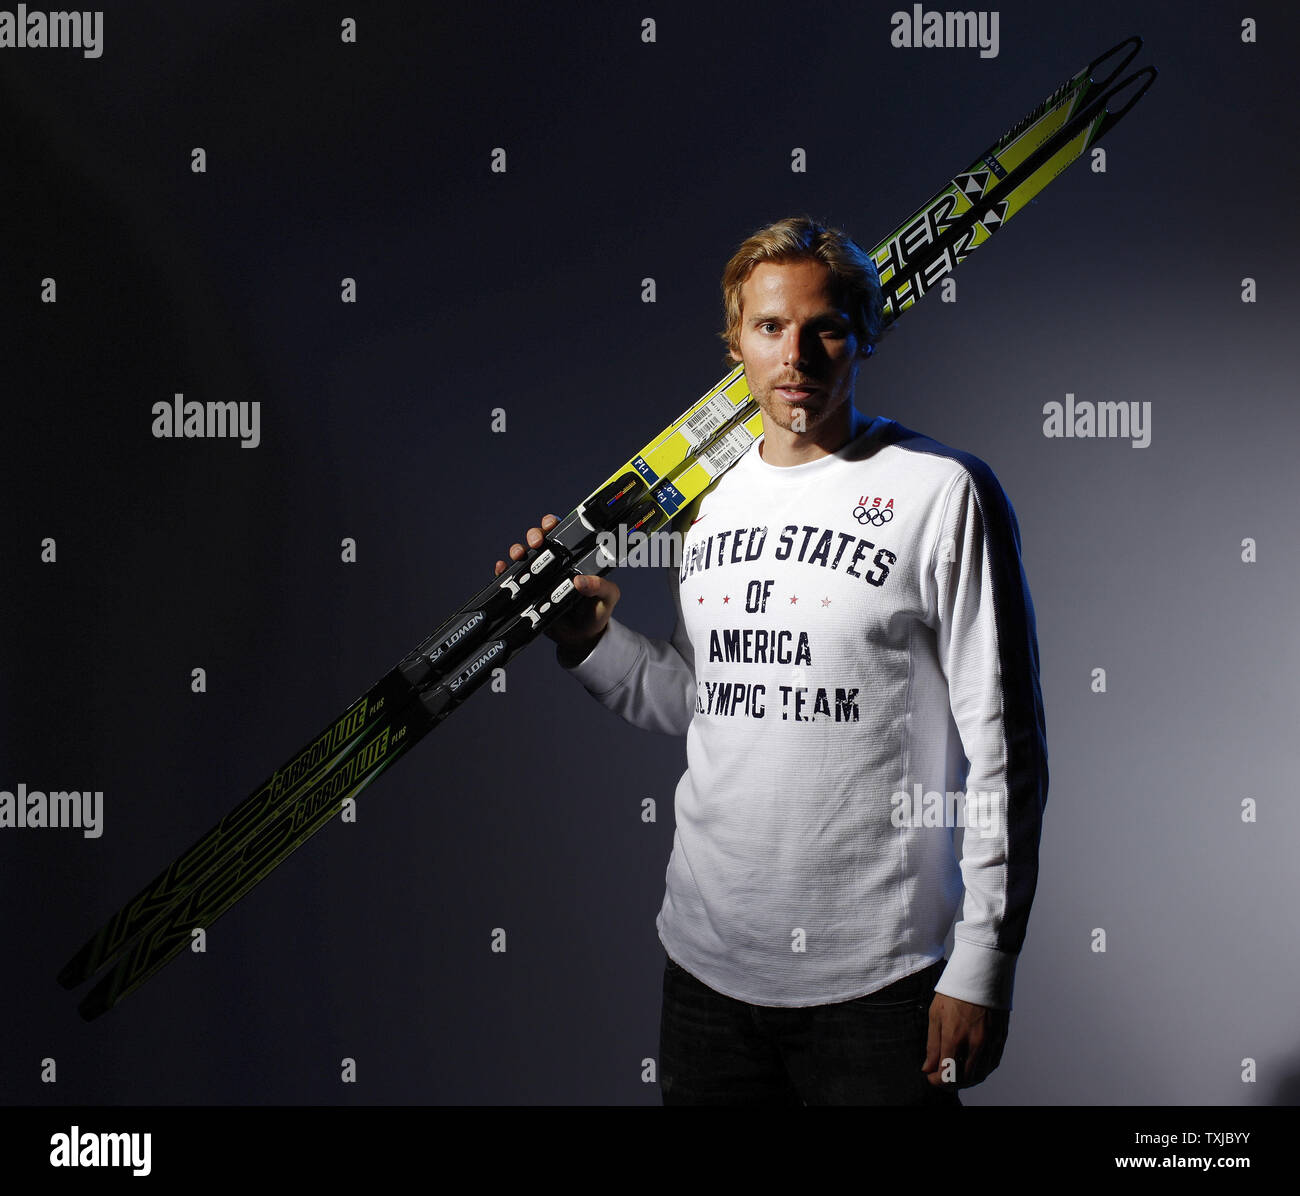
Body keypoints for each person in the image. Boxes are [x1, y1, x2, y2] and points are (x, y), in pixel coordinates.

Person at [496, 216, 1048, 1105]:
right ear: (735, 345)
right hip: (708, 964)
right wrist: (590, 643)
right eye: (769, 328)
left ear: (864, 332)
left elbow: (1005, 742)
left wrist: (984, 959)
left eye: (825, 325)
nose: (797, 354)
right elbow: (701, 700)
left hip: (879, 978)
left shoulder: (942, 491)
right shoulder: (711, 504)